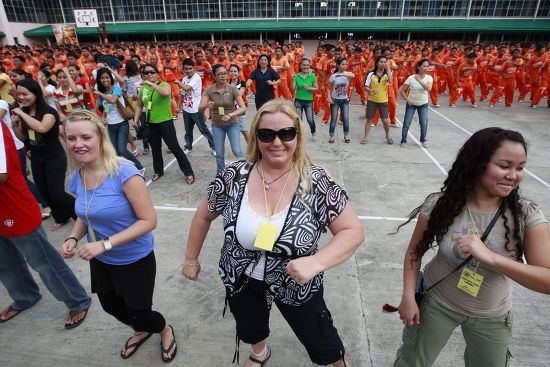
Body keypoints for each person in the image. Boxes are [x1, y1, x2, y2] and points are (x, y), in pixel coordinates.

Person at [183, 99, 364, 367]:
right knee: (250, 325)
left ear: (298, 137)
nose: (277, 142)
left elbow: (353, 231)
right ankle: (260, 353)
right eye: (267, 134)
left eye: (286, 133)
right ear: (256, 137)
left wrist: (315, 262)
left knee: (320, 336)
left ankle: (337, 363)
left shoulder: (317, 182)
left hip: (296, 281)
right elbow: (203, 214)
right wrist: (191, 259)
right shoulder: (234, 174)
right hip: (241, 275)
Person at [394, 127, 550, 367]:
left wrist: (491, 257)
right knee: (412, 361)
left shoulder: (526, 215)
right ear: (478, 164)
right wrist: (408, 297)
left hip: (492, 315)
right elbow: (415, 252)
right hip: (437, 303)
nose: (513, 175)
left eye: (520, 168)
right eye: (504, 165)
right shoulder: (441, 205)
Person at [59, 110, 177, 362]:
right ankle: (141, 329)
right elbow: (86, 212)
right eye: (71, 138)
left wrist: (105, 244)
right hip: (102, 259)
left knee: (141, 312)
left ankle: (163, 328)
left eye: (85, 137)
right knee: (110, 306)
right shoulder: (78, 175)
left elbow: (149, 221)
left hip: (134, 259)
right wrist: (73, 237)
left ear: (100, 137)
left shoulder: (125, 172)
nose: (78, 144)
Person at [0, 118, 91, 328]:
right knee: (5, 262)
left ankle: (77, 299)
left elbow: (2, 174)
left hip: (14, 207)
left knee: (43, 261)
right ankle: (24, 296)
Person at [11, 79, 76, 231]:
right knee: (44, 192)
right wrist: (15, 125)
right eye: (19, 94)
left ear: (35, 93)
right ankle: (61, 217)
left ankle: (81, 216)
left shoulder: (48, 112)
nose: (21, 97)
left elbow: (42, 128)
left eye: (25, 94)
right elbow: (24, 138)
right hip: (37, 158)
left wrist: (20, 113)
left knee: (57, 194)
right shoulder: (25, 112)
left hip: (54, 158)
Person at [132, 64, 195, 184]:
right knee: (155, 149)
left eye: (151, 72)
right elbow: (140, 105)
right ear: (143, 75)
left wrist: (151, 84)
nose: (149, 74)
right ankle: (158, 171)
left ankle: (188, 172)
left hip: (165, 123)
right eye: (146, 73)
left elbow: (165, 94)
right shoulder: (143, 89)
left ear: (157, 74)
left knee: (175, 148)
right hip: (151, 124)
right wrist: (135, 119)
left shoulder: (165, 85)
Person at [93, 68, 144, 173]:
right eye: (102, 78)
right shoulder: (102, 92)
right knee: (115, 151)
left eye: (107, 77)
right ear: (99, 80)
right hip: (111, 125)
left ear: (110, 78)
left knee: (122, 150)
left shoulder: (116, 88)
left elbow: (112, 101)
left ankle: (139, 167)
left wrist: (99, 94)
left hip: (122, 124)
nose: (105, 80)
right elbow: (107, 106)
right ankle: (126, 170)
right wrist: (104, 116)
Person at [200, 64, 246, 174]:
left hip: (232, 123)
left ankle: (245, 172)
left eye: (225, 73)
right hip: (217, 125)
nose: (223, 76)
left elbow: (243, 108)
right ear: (214, 76)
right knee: (219, 154)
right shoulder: (209, 90)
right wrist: (206, 105)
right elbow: (200, 109)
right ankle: (220, 175)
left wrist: (231, 115)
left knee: (237, 151)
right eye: (219, 74)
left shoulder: (233, 89)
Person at [176, 58, 216, 155]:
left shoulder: (196, 77)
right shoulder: (185, 79)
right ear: (183, 69)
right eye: (186, 69)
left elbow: (186, 87)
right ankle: (188, 146)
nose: (188, 71)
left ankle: (214, 147)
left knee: (203, 130)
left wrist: (178, 82)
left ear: (194, 68)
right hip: (186, 109)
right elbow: (183, 92)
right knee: (188, 130)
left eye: (190, 68)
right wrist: (178, 106)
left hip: (197, 110)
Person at [398, 59, 432, 148]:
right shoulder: (411, 78)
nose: (426, 68)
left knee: (423, 122)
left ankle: (423, 140)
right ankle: (403, 140)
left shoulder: (429, 78)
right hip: (411, 104)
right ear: (418, 67)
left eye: (427, 66)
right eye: (424, 66)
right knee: (407, 122)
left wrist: (419, 80)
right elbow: (401, 90)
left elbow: (428, 88)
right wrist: (407, 100)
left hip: (423, 104)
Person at [362, 55, 394, 145]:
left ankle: (388, 135)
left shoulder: (387, 74)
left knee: (385, 120)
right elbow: (365, 87)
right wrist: (371, 90)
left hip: (383, 100)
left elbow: (391, 81)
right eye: (381, 62)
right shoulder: (371, 74)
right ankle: (365, 137)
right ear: (376, 63)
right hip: (372, 100)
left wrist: (388, 69)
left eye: (385, 62)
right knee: (369, 120)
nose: (383, 64)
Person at [327, 57, 354, 144]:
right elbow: (328, 87)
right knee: (334, 118)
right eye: (342, 64)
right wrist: (329, 97)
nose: (344, 66)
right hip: (335, 100)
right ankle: (331, 136)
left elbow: (353, 76)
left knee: (345, 118)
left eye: (345, 64)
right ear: (338, 65)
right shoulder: (333, 76)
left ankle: (346, 135)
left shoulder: (348, 74)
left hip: (345, 100)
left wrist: (342, 74)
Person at [290, 58, 318, 140]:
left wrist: (309, 88)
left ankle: (313, 132)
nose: (306, 66)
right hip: (298, 100)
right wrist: (292, 79)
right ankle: (299, 135)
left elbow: (317, 88)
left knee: (310, 119)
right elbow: (292, 89)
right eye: (304, 65)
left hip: (308, 101)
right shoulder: (297, 76)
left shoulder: (312, 76)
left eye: (307, 65)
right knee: (298, 120)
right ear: (300, 66)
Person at [228, 63, 250, 143]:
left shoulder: (242, 83)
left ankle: (251, 148)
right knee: (232, 133)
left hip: (239, 110)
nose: (233, 73)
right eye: (231, 71)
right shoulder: (226, 83)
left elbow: (239, 95)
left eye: (235, 71)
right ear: (228, 72)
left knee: (244, 131)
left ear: (238, 72)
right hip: (229, 111)